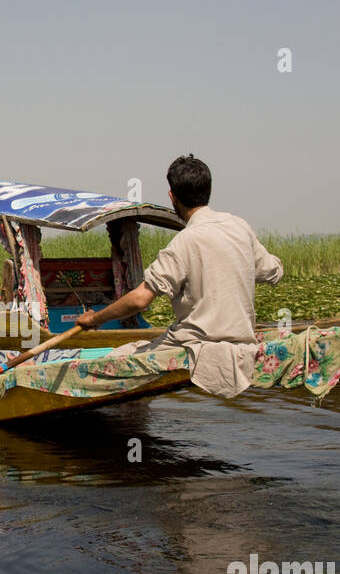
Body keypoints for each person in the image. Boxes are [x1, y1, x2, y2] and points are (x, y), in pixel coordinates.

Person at [75, 155, 283, 398]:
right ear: (209, 190)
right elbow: (274, 272)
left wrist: (95, 319)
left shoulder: (184, 242)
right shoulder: (239, 227)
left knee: (111, 361)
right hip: (241, 340)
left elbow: (140, 299)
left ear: (172, 197)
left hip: (192, 343)